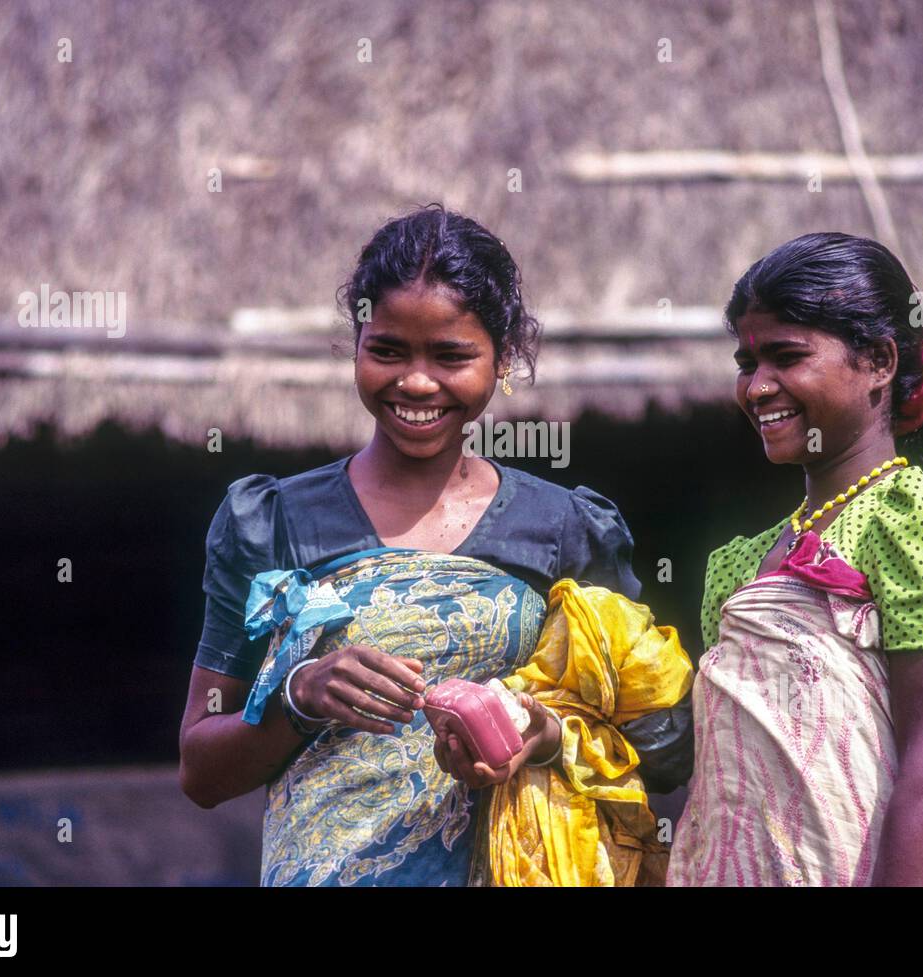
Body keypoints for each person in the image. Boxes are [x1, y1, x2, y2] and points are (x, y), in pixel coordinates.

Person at [177, 204, 690, 886]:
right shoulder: (272, 522)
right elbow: (201, 769)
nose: (416, 382)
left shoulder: (565, 527)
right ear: (355, 343)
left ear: (503, 358)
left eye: (451, 355)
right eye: (387, 349)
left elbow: (665, 746)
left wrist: (540, 734)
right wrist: (301, 696)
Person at [668, 232, 923, 887]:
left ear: (879, 360)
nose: (757, 387)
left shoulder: (909, 519)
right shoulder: (738, 564)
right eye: (747, 361)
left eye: (786, 357)